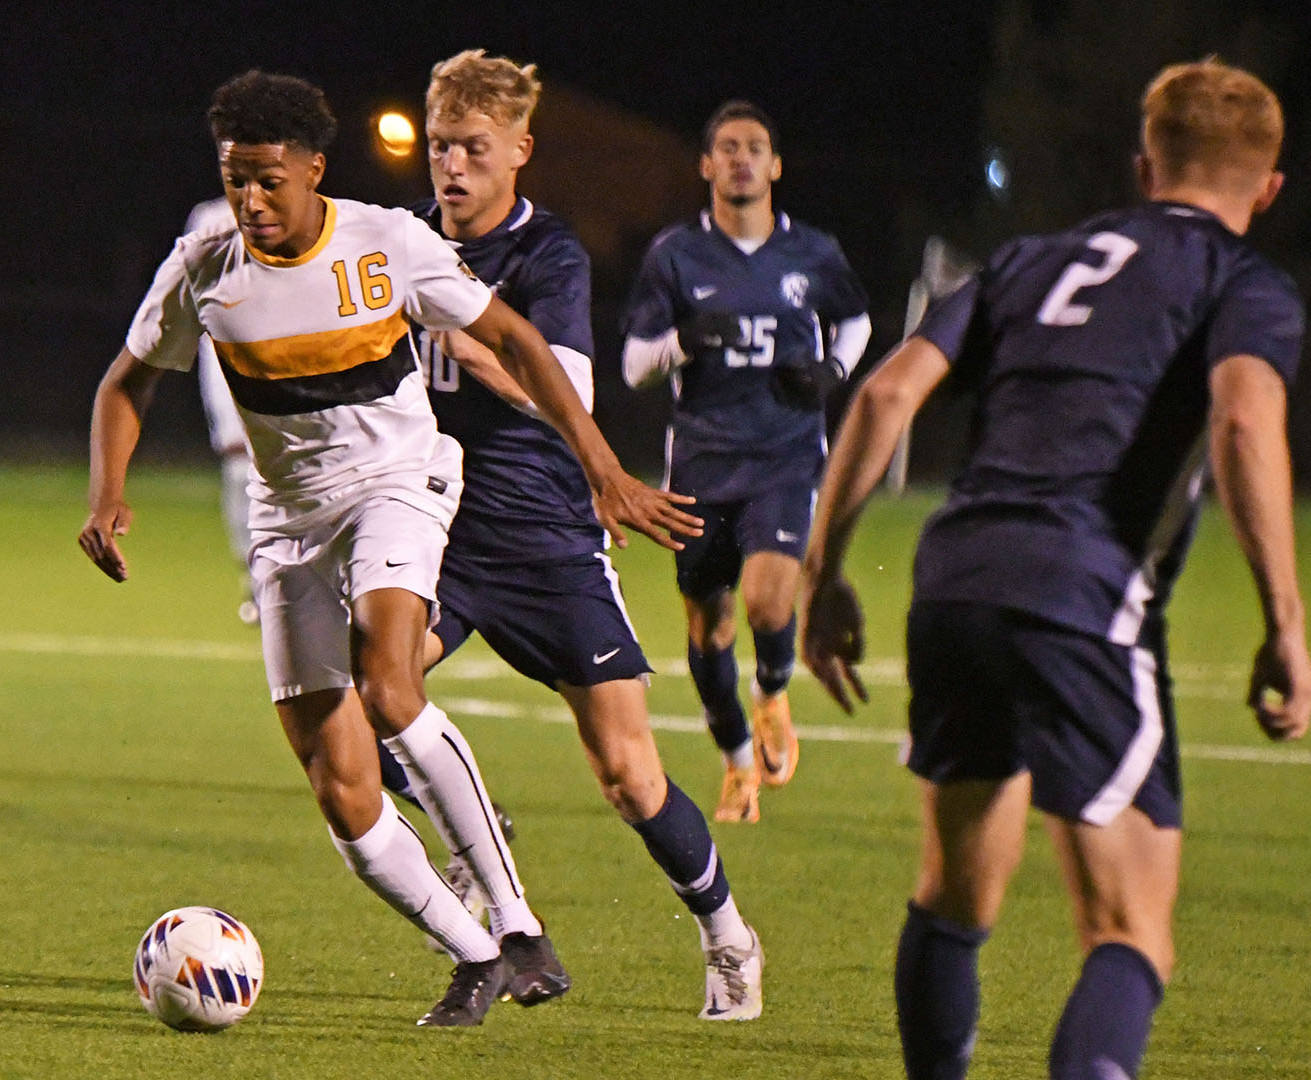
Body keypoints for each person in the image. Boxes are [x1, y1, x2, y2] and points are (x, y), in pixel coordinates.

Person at [80, 71, 699, 1027]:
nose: (251, 200)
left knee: (391, 678)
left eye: (269, 180)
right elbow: (126, 384)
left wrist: (604, 468)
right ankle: (474, 951)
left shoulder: (386, 240)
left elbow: (518, 341)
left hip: (401, 486)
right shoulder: (203, 266)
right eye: (234, 178)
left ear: (315, 171)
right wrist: (109, 494)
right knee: (340, 784)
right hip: (287, 524)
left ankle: (519, 918)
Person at [795, 59, 1311, 1080]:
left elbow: (882, 399)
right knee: (1130, 934)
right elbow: (1247, 418)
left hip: (954, 582)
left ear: (1143, 164)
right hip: (1083, 595)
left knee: (953, 894)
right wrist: (1286, 624)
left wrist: (823, 577)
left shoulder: (1029, 260)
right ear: (1268, 189)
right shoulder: (1243, 279)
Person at [384, 48, 761, 1018]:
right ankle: (481, 843)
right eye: (439, 147)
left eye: (472, 148)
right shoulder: (405, 240)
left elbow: (566, 391)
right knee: (366, 699)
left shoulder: (546, 255)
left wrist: (470, 332)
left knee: (629, 775)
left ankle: (726, 935)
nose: (452, 168)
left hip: (546, 535)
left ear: (519, 151)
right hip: (441, 531)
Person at [622, 100, 872, 822]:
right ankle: (736, 766)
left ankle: (770, 691)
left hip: (786, 454)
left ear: (775, 166)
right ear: (706, 165)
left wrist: (830, 372)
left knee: (768, 601)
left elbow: (854, 320)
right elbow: (636, 362)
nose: (741, 158)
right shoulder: (675, 254)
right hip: (701, 461)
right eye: (727, 148)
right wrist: (682, 342)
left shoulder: (813, 253)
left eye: (755, 147)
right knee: (709, 625)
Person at [177, 196, 259, 623]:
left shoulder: (308, 208)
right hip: (225, 351)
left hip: (295, 348)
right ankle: (254, 578)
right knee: (238, 464)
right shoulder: (209, 218)